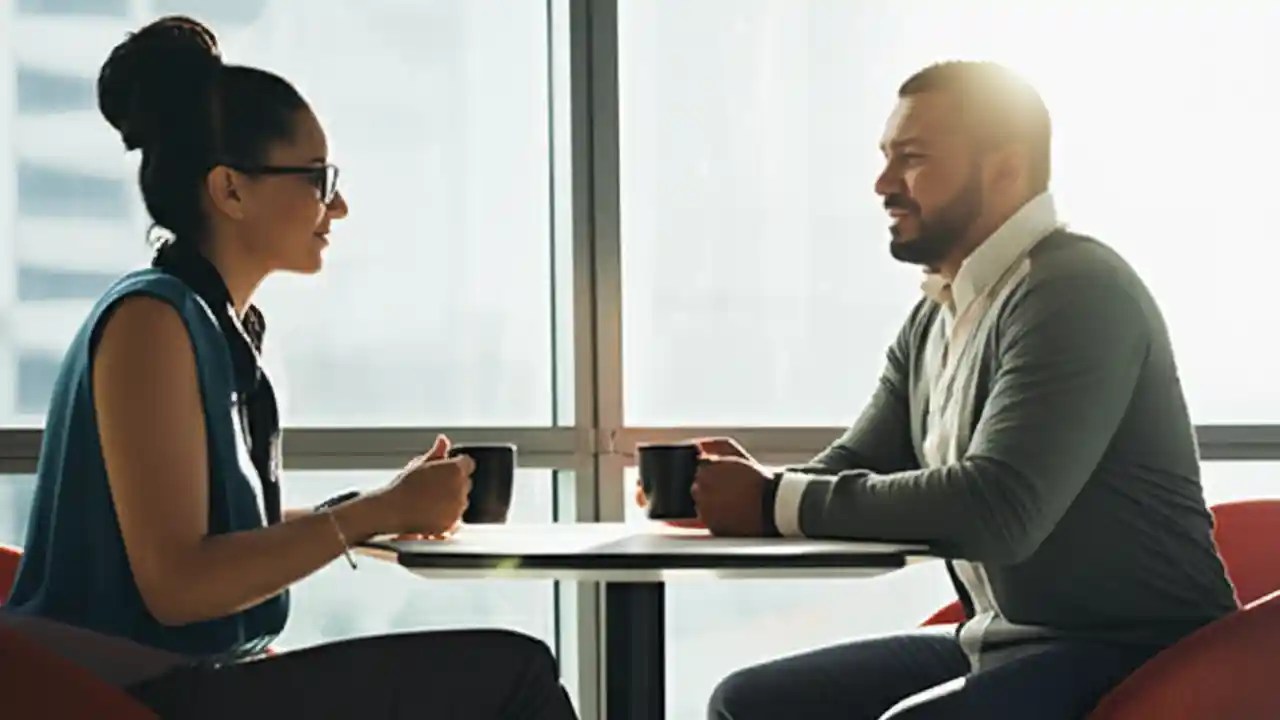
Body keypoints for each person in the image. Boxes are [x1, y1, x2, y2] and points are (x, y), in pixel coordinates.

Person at [2, 16, 577, 720]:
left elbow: (216, 539)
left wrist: (375, 509)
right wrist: (379, 513)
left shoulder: (211, 323)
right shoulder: (151, 324)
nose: (336, 205)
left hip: (192, 680)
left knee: (515, 669)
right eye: (316, 178)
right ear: (231, 190)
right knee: (516, 673)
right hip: (133, 696)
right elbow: (178, 584)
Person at [689, 61, 1238, 719]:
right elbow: (854, 465)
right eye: (886, 159)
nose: (883, 184)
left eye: (912, 160)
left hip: (1140, 654)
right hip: (1002, 644)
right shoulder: (937, 315)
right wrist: (740, 488)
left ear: (1005, 171)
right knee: (749, 704)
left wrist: (775, 500)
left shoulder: (1074, 292)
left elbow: (998, 509)